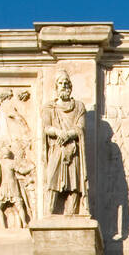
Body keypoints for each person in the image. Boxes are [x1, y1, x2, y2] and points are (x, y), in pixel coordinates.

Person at [42, 71, 88, 214]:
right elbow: (46, 128)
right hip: (57, 147)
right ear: (56, 87)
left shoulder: (79, 106)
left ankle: (73, 214)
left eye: (67, 83)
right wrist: (58, 132)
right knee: (52, 180)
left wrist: (68, 134)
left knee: (75, 183)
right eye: (61, 83)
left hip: (73, 149)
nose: (64, 85)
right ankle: (48, 214)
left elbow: (81, 126)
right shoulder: (49, 107)